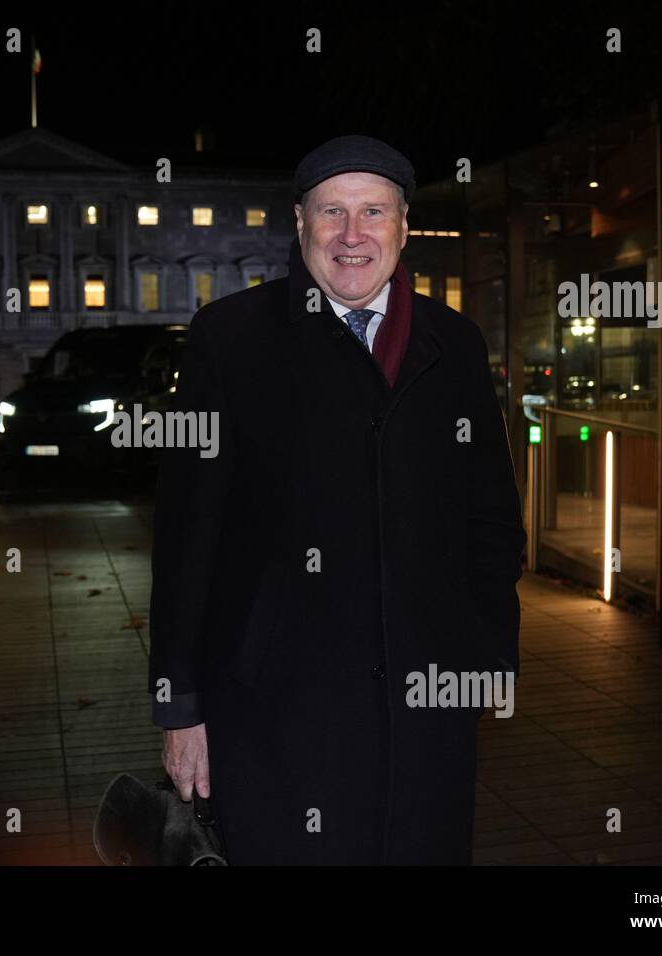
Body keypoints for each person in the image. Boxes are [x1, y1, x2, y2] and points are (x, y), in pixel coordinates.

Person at [147, 134, 526, 864]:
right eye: (333, 213)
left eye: (374, 212)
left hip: (425, 712)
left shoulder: (456, 345)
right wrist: (179, 706)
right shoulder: (231, 341)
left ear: (404, 227)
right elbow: (186, 535)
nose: (353, 235)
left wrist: (481, 657)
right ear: (300, 224)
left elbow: (492, 520)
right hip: (273, 713)